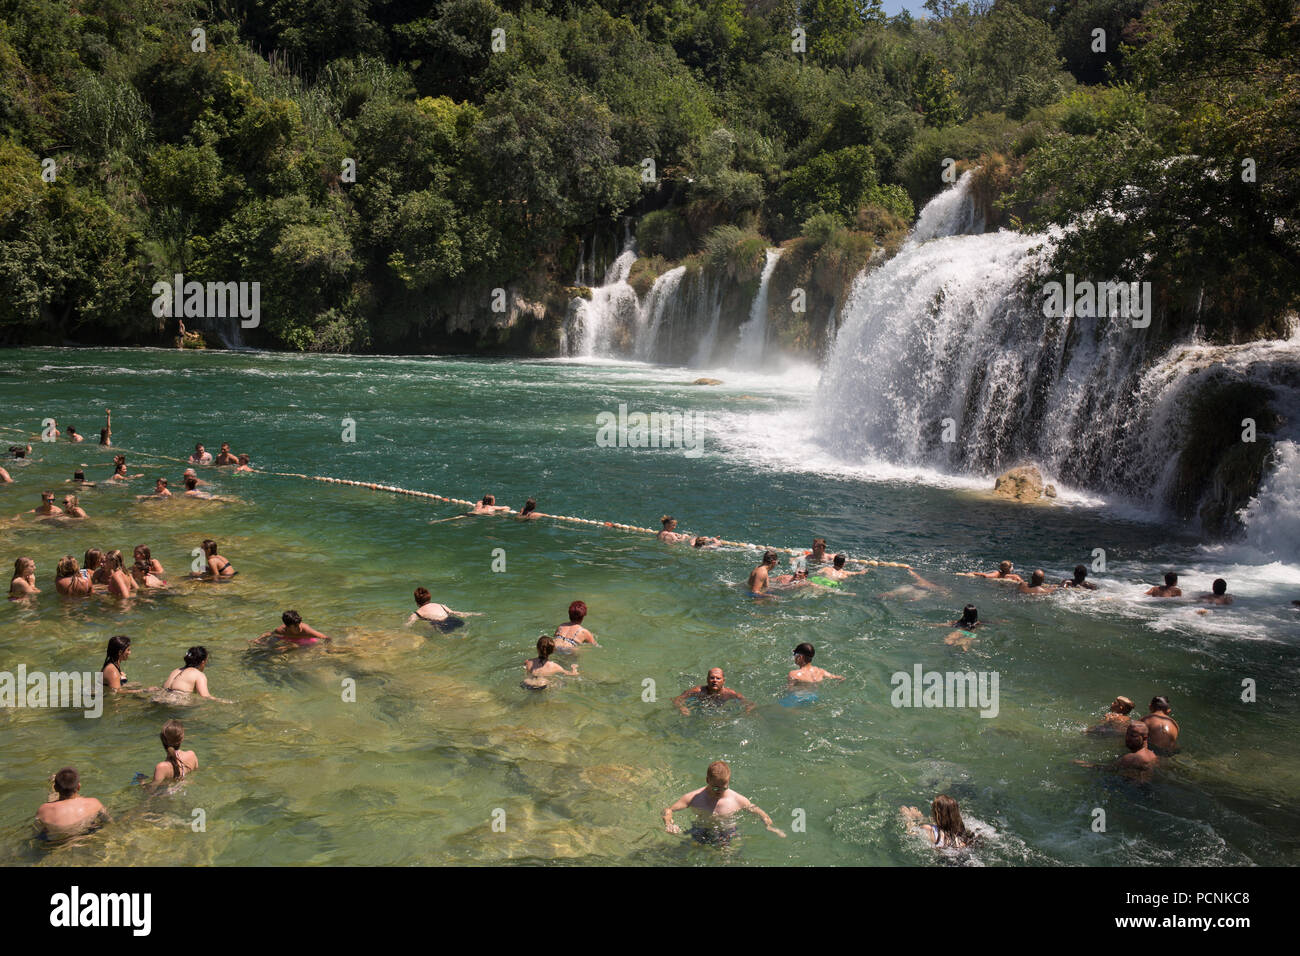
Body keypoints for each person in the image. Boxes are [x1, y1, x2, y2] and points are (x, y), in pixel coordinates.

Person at [662, 761, 786, 843]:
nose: (719, 791)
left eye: (724, 788)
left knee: (728, 857)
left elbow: (759, 812)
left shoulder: (737, 800)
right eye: (716, 788)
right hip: (700, 829)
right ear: (707, 780)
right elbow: (668, 810)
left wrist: (769, 826)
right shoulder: (694, 798)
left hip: (727, 833)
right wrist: (669, 823)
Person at [36, 768, 109, 838]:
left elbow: (37, 830)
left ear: (55, 788)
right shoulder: (94, 803)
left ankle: (54, 782)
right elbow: (108, 820)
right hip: (86, 835)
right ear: (79, 787)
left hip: (58, 842)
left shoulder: (43, 809)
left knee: (53, 803)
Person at [900, 795, 976, 849]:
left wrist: (908, 818)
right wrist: (921, 818)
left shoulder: (928, 829)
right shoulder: (962, 830)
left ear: (936, 814)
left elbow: (910, 834)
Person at [673, 668, 755, 715]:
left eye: (718, 678)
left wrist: (747, 711)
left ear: (723, 681)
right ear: (707, 680)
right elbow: (677, 699)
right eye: (712, 678)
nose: (714, 680)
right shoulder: (698, 691)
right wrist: (682, 708)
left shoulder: (730, 693)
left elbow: (750, 703)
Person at [151, 719, 199, 784]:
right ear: (182, 738)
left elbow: (150, 792)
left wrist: (141, 781)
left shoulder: (161, 767)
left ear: (162, 739)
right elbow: (195, 775)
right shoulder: (192, 755)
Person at [406, 587, 475, 631]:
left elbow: (409, 624)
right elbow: (454, 612)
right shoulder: (440, 605)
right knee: (462, 629)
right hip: (452, 620)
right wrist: (471, 614)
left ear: (416, 603)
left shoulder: (417, 613)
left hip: (440, 624)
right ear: (429, 598)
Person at [261, 610, 330, 646]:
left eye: (299, 624)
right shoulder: (281, 630)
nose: (299, 627)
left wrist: (329, 647)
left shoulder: (306, 631)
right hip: (289, 640)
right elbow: (269, 634)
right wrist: (258, 639)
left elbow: (327, 638)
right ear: (287, 627)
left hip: (305, 640)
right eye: (295, 626)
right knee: (269, 645)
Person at [958, 560, 1024, 583]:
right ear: (1010, 569)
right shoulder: (1014, 577)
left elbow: (985, 575)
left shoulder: (997, 573)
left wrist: (973, 573)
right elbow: (1023, 583)